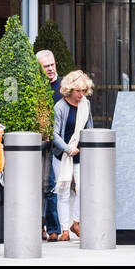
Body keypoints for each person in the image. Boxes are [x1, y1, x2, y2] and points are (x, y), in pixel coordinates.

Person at [52, 70, 94, 241]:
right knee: (63, 192)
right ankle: (64, 230)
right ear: (69, 89)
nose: (81, 94)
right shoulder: (60, 107)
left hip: (80, 154)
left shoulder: (86, 104)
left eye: (84, 90)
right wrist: (68, 149)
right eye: (78, 91)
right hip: (62, 155)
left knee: (82, 189)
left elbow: (89, 128)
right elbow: (54, 134)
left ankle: (75, 222)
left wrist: (87, 147)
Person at [36, 50, 62, 242]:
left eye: (52, 65)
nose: (51, 69)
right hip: (40, 143)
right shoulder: (34, 87)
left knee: (51, 186)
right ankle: (39, 227)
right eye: (46, 66)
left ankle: (54, 228)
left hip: (58, 144)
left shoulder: (63, 87)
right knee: (38, 186)